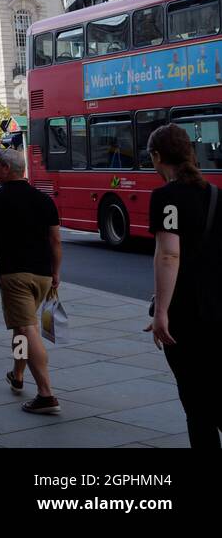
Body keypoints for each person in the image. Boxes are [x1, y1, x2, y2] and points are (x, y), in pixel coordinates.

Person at [0, 146, 62, 416]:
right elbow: (55, 240)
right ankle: (18, 374)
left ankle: (46, 393)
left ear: (7, 169)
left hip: (14, 274)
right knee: (20, 327)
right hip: (42, 275)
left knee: (28, 329)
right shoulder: (44, 200)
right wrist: (56, 273)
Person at [147, 123, 222, 448]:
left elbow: (169, 255)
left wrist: (161, 311)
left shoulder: (166, 198)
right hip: (220, 307)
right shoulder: (216, 194)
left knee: (195, 400)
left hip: (188, 313)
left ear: (157, 156)